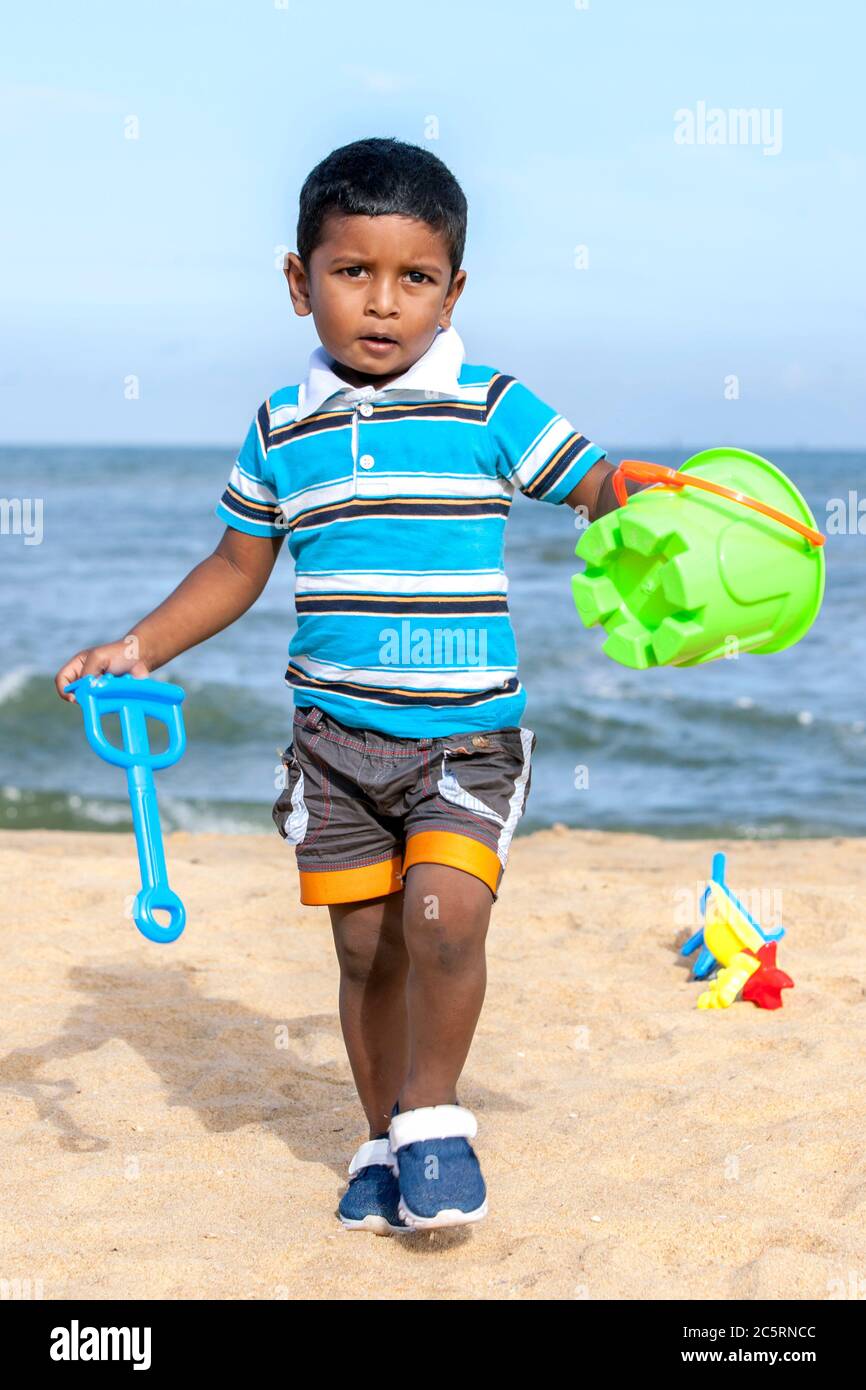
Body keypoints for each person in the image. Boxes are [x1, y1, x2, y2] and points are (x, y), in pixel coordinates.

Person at [54, 136, 635, 1235]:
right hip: (332, 747)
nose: (382, 303)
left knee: (444, 921)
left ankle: (431, 1117)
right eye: (350, 272)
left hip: (464, 741)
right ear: (296, 280)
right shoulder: (282, 426)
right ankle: (379, 1139)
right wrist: (139, 646)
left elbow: (592, 483)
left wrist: (641, 494)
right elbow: (235, 566)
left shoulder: (485, 405)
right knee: (366, 949)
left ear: (452, 289)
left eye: (413, 278)